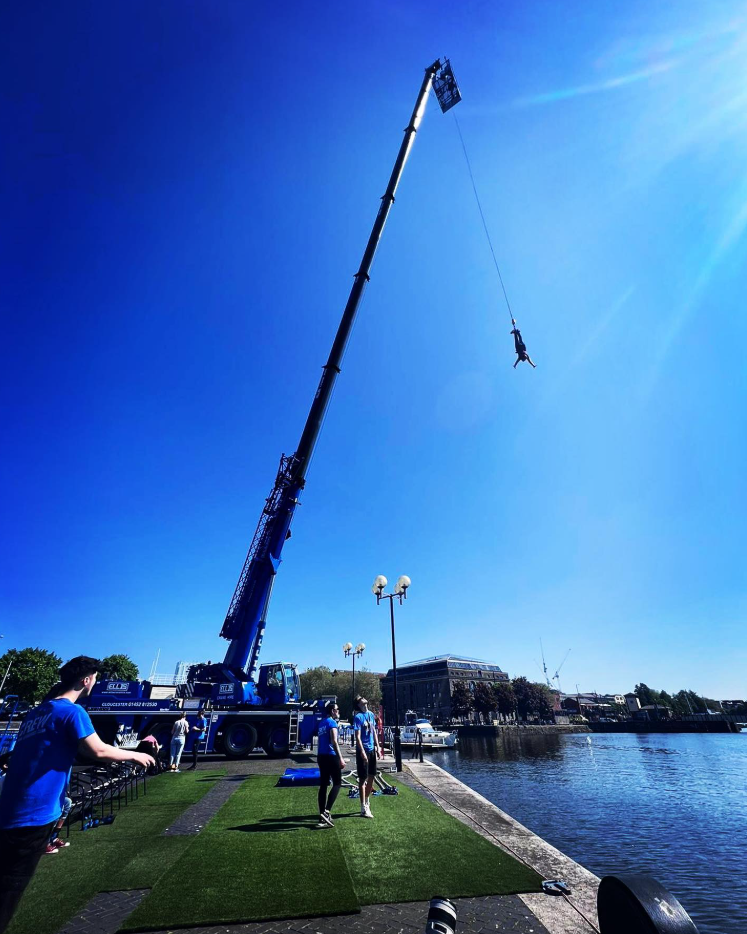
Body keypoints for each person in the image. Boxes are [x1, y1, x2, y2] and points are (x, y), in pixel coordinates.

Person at [0, 655, 155, 934]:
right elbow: (98, 750)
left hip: (9, 810)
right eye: (95, 678)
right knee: (7, 894)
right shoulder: (72, 712)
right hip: (33, 816)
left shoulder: (37, 713)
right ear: (86, 680)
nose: (95, 683)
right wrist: (135, 755)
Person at [316, 701, 346, 828]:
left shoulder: (321, 723)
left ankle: (322, 814)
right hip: (330, 755)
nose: (338, 712)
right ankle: (327, 811)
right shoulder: (332, 723)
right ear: (332, 711)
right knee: (337, 783)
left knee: (323, 785)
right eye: (337, 709)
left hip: (321, 756)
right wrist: (341, 758)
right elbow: (334, 741)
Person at [353, 696, 381, 819]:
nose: (364, 700)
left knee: (372, 776)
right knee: (363, 778)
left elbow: (374, 731)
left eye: (364, 699)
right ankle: (363, 807)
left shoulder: (370, 714)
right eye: (361, 700)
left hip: (372, 750)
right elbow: (357, 736)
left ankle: (367, 799)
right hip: (362, 751)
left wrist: (378, 746)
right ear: (359, 704)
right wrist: (362, 752)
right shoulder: (358, 717)